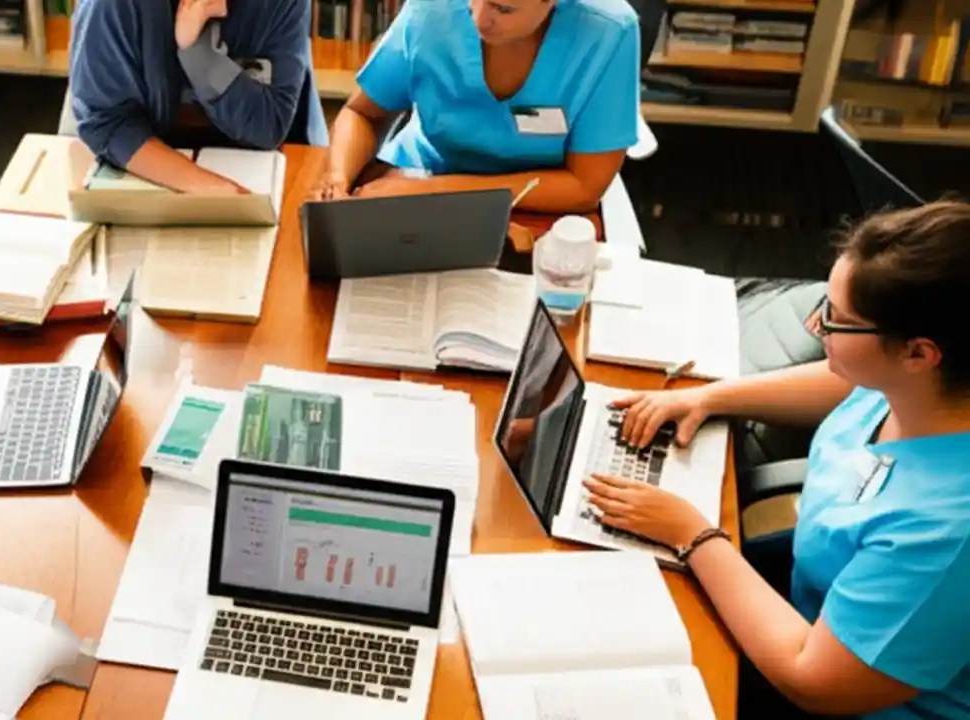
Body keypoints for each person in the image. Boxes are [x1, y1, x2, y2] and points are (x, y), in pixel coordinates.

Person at [585, 201, 970, 719]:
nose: (816, 328)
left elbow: (814, 681)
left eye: (838, 320)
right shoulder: (924, 388)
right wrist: (710, 397)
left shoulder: (947, 536)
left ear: (918, 355)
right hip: (809, 601)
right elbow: (844, 386)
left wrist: (693, 536)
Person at [314, 0, 641, 213]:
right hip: (416, 175)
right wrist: (337, 177)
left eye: (503, 8)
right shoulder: (433, 10)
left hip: (536, 209)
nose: (479, 18)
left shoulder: (610, 33)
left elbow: (584, 186)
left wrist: (433, 193)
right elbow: (363, 114)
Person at [68, 0, 329, 194]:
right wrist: (208, 187)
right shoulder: (109, 6)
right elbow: (107, 124)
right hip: (147, 166)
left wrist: (198, 52)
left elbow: (268, 125)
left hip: (267, 163)